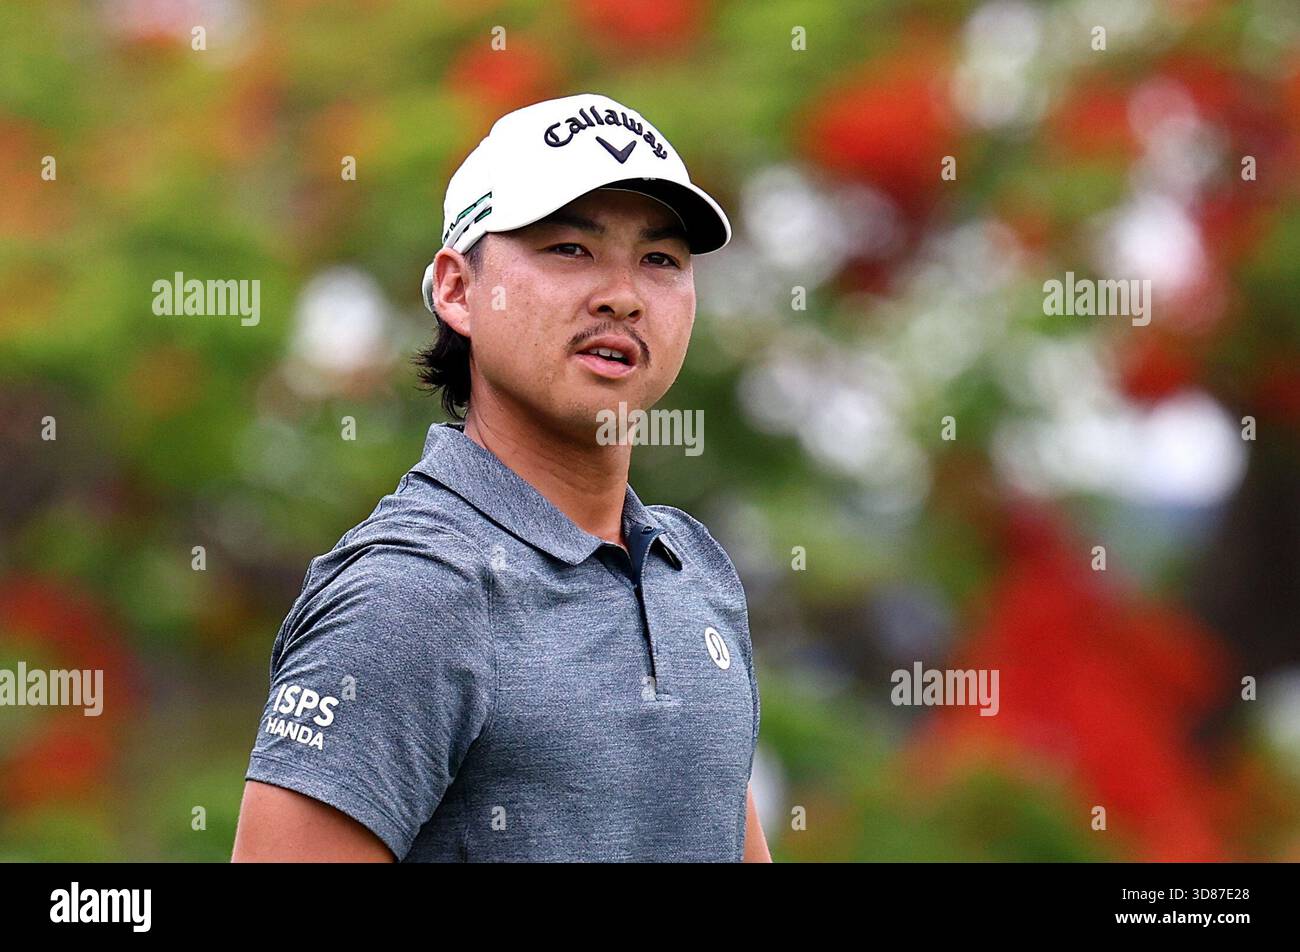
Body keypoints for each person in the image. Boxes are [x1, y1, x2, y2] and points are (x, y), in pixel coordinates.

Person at [232, 92, 769, 862]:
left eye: (659, 260)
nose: (622, 295)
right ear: (457, 290)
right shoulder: (412, 595)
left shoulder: (694, 572)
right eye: (569, 250)